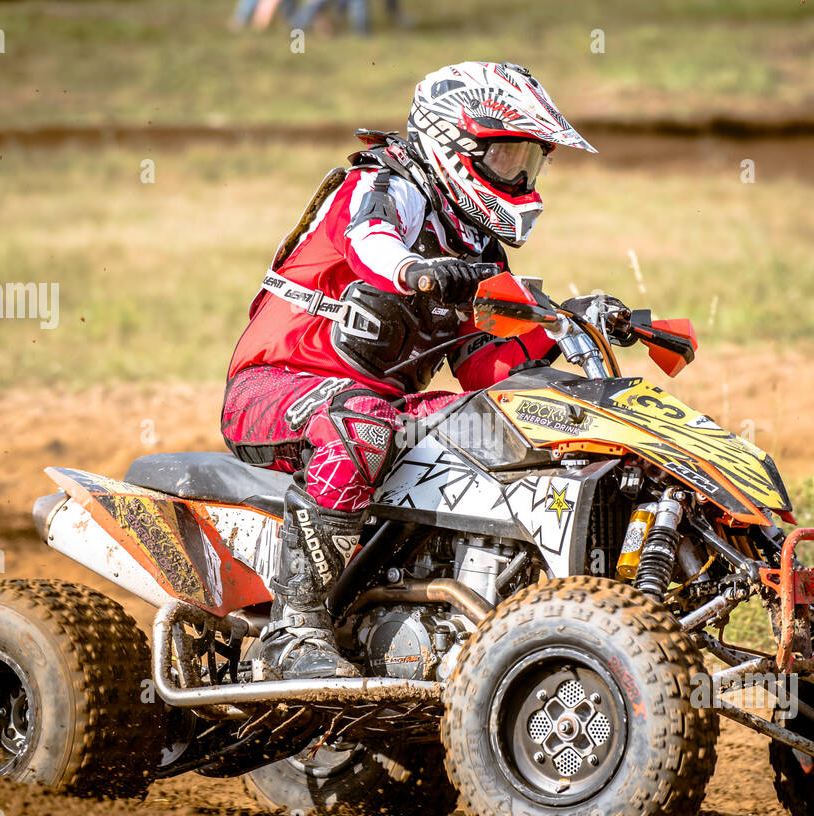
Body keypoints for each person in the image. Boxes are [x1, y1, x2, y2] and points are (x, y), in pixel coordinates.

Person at [221, 61, 625, 679]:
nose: (521, 178)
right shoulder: (385, 186)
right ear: (453, 143)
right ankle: (293, 630)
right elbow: (371, 243)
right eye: (507, 158)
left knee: (519, 426)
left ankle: (469, 616)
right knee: (361, 422)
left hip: (378, 409)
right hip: (275, 387)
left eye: (531, 162)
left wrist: (572, 350)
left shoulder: (472, 252)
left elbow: (494, 369)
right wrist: (418, 271)